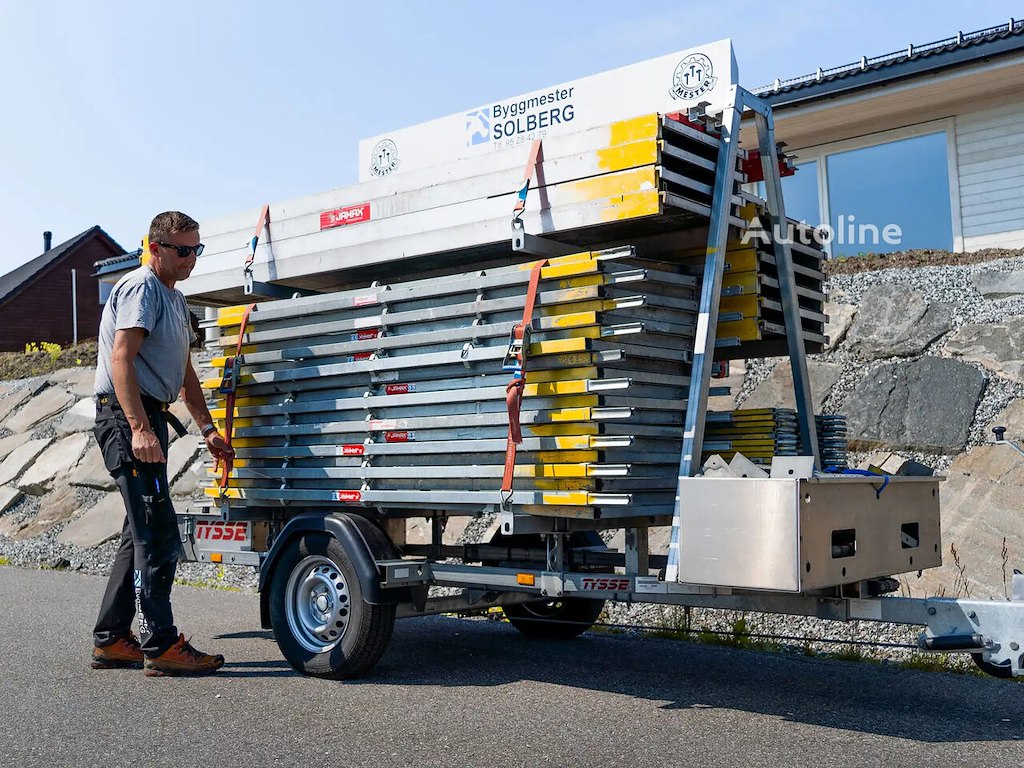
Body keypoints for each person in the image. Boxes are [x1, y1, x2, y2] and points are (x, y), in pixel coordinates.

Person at [90, 211, 233, 676]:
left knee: (138, 534)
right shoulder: (142, 288)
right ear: (156, 248)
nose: (192, 258)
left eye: (197, 249)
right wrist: (138, 428)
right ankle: (161, 645)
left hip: (149, 415)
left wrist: (208, 429)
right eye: (183, 249)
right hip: (127, 417)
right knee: (158, 533)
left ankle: (112, 639)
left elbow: (185, 373)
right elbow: (121, 358)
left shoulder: (174, 299)